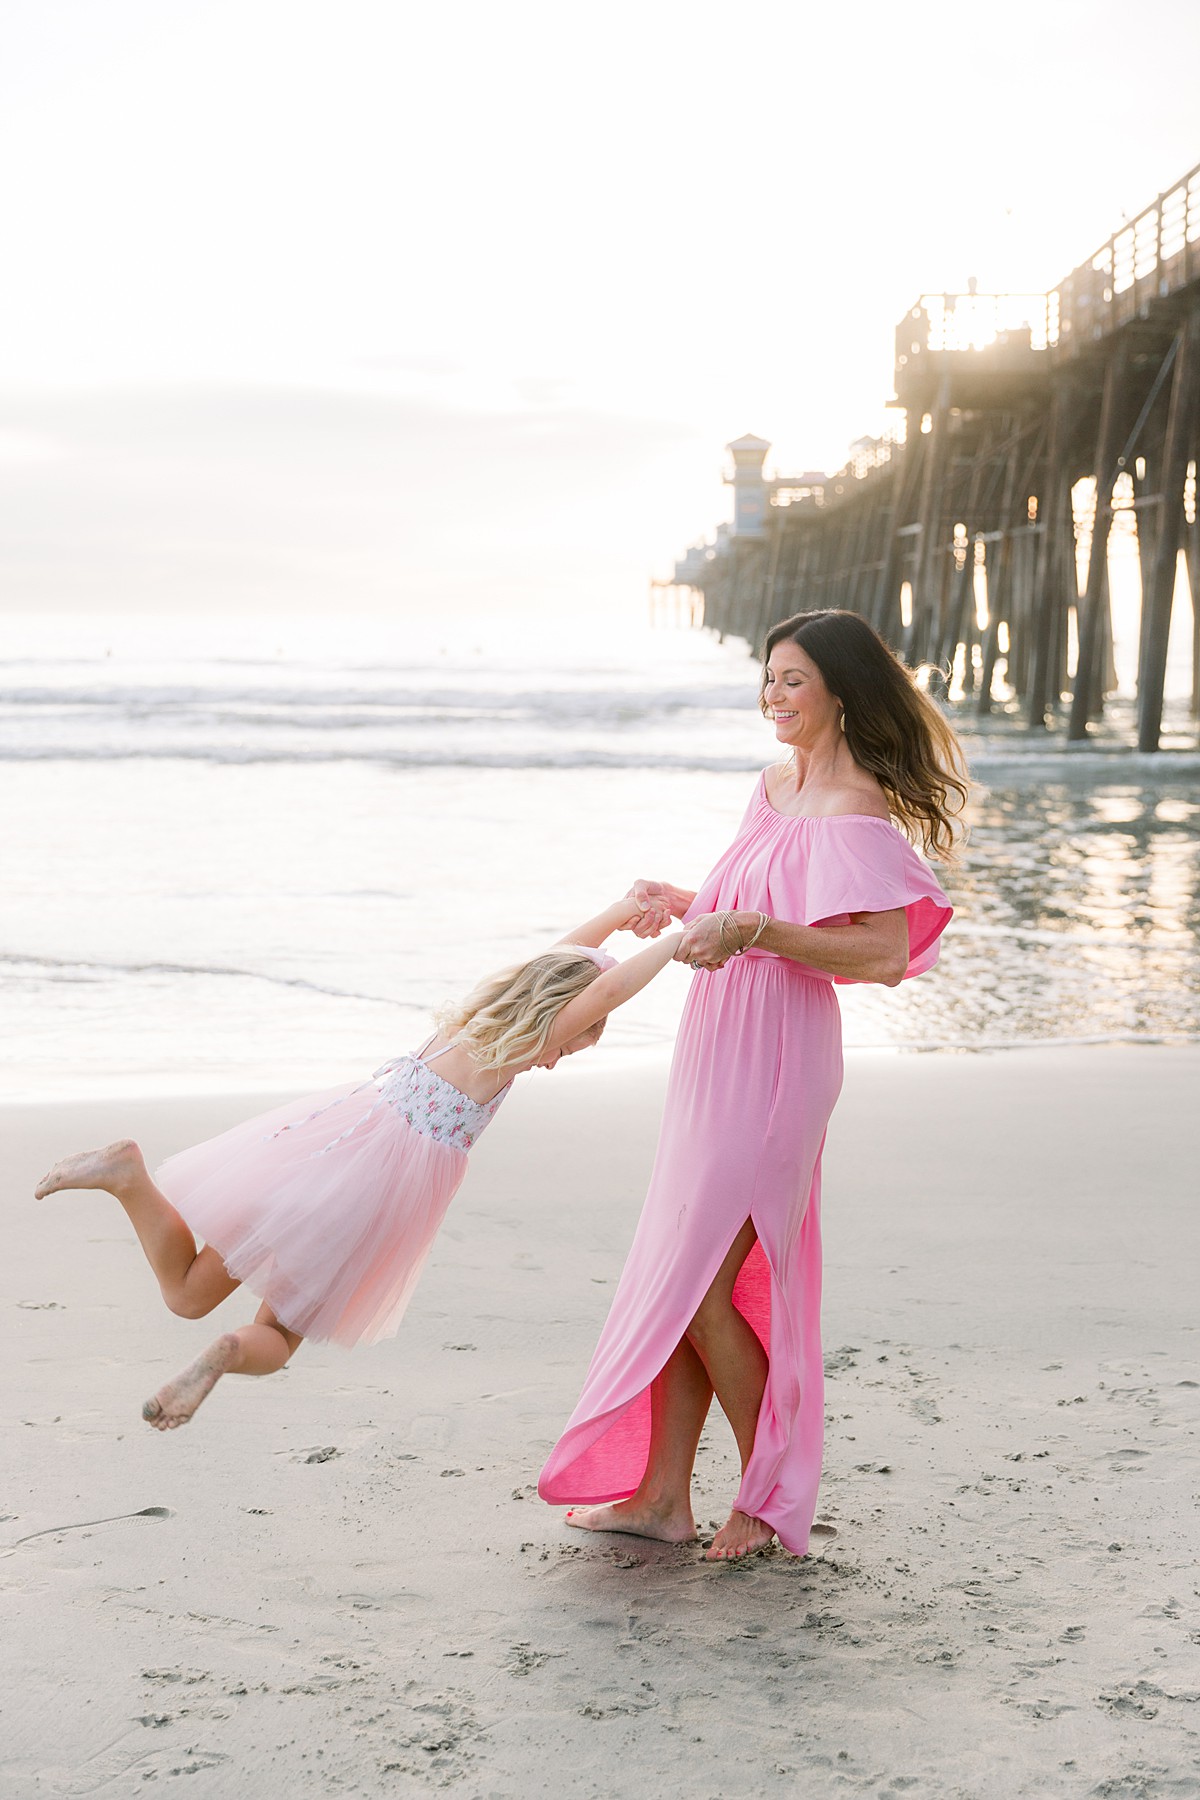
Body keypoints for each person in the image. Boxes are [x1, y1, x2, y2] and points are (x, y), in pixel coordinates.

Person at [539, 609, 967, 1561]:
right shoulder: (771, 790)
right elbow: (746, 910)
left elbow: (885, 953)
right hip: (713, 1048)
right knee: (682, 1275)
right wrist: (683, 905)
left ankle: (766, 1497)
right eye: (767, 678)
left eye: (793, 680)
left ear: (842, 693)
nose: (772, 696)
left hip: (779, 1059)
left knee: (699, 1288)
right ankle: (660, 1497)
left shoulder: (859, 810)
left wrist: (757, 935)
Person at [34, 899, 682, 1431]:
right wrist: (678, 944)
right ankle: (229, 1352)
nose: (552, 1059)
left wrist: (622, 911)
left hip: (315, 1151)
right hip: (368, 1195)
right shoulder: (515, 1049)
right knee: (278, 1339)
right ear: (552, 1019)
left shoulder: (473, 1021)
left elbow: (555, 963)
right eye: (568, 1046)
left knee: (188, 1293)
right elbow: (608, 990)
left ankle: (127, 1176)